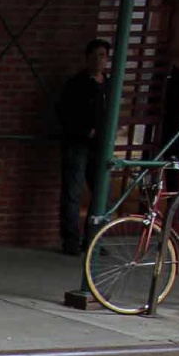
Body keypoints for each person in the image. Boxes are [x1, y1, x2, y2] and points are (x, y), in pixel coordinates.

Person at [57, 38, 112, 256]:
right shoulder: (76, 84)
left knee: (102, 194)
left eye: (103, 56)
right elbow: (64, 112)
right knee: (73, 192)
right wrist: (83, 129)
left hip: (100, 147)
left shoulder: (109, 85)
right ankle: (70, 240)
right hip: (78, 144)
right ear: (87, 57)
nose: (99, 60)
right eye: (96, 55)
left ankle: (93, 239)